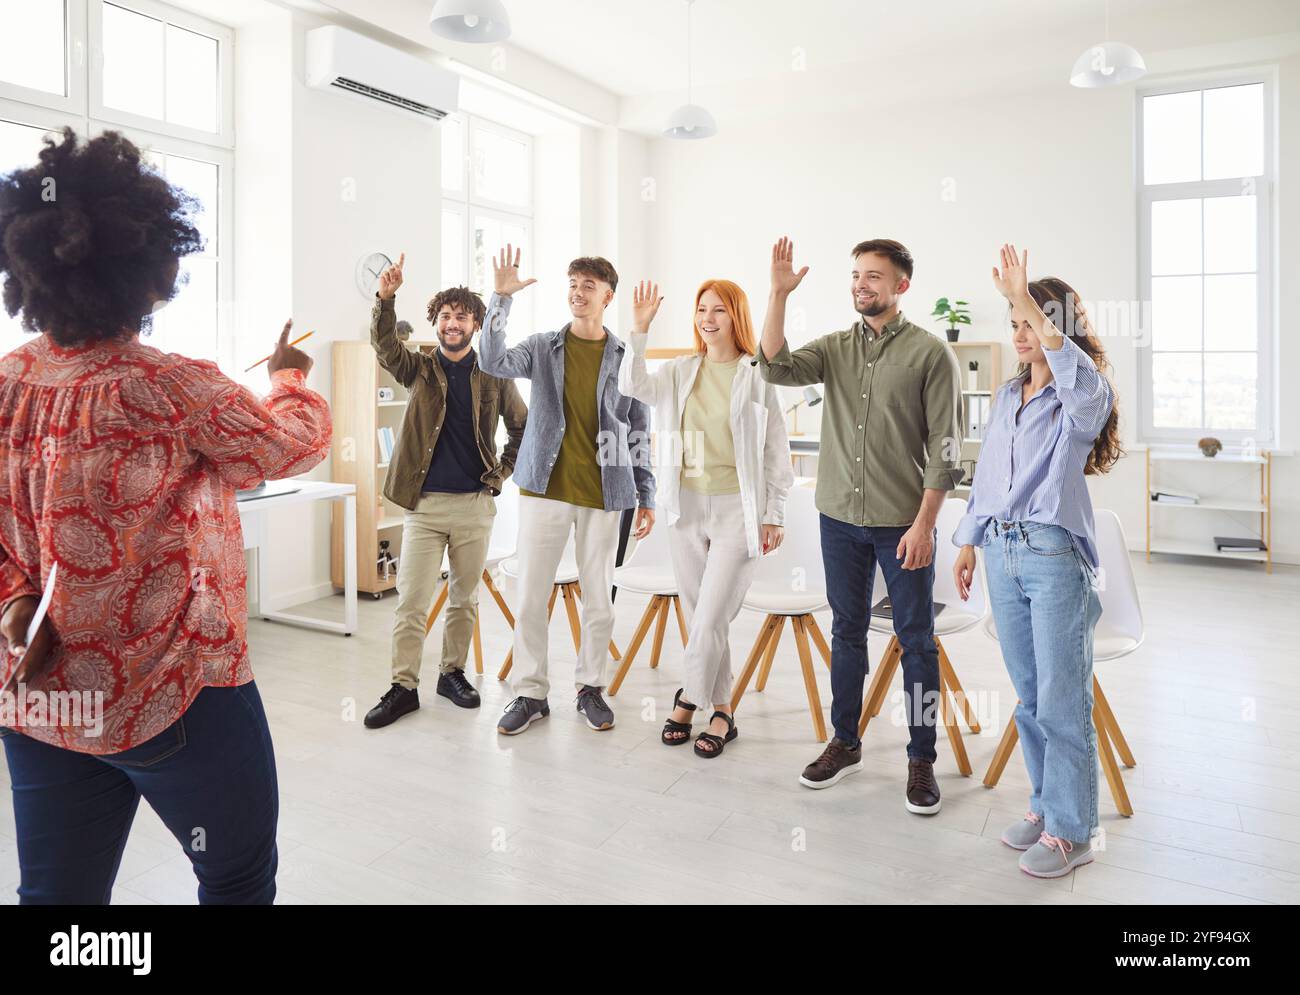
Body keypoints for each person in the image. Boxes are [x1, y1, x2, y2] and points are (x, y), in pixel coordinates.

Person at [0, 129, 332, 903]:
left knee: (57, 899)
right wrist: (288, 375)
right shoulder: (173, 387)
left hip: (44, 696)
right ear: (142, 267)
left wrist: (15, 597)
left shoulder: (8, 383)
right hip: (177, 693)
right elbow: (293, 446)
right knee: (237, 875)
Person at [758, 236, 962, 812]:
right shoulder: (836, 348)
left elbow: (947, 450)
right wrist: (777, 294)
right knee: (846, 631)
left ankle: (922, 760)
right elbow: (774, 366)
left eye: (873, 277)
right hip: (838, 520)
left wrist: (924, 527)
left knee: (916, 642)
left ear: (900, 286)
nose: (860, 285)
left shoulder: (929, 355)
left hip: (903, 524)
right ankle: (845, 742)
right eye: (855, 276)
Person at [953, 245, 1119, 878]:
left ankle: (1075, 832)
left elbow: (1071, 372)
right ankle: (1048, 808)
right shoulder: (1005, 396)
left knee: (1061, 698)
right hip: (1003, 550)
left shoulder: (1082, 396)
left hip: (1053, 557)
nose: (1020, 334)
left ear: (1057, 328)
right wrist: (969, 540)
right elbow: (990, 477)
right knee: (1028, 696)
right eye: (1014, 322)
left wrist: (1024, 294)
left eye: (1031, 320)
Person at [478, 248, 655, 735]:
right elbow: (491, 359)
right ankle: (531, 693)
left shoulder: (623, 357)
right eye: (573, 283)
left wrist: (647, 494)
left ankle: (590, 688)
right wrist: (500, 298)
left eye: (588, 286)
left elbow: (639, 426)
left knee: (599, 598)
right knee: (531, 595)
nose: (578, 292)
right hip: (544, 489)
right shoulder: (541, 347)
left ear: (607, 296)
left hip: (605, 494)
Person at [618, 278, 792, 757]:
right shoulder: (680, 370)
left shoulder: (758, 373)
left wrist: (774, 514)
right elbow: (632, 385)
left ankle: (687, 700)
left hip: (740, 507)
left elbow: (777, 450)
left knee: (711, 613)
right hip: (687, 506)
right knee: (701, 618)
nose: (708, 319)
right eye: (701, 310)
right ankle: (724, 711)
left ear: (736, 317)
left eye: (718, 310)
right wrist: (639, 329)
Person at [363, 253, 527, 728]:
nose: (452, 323)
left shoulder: (495, 373)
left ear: (476, 323)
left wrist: (500, 474)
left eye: (462, 316)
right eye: (445, 316)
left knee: (464, 598)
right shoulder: (417, 369)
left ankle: (451, 674)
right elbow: (383, 346)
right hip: (425, 508)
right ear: (435, 323)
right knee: (412, 601)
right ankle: (403, 686)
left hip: (475, 506)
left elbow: (522, 427)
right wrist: (385, 299)